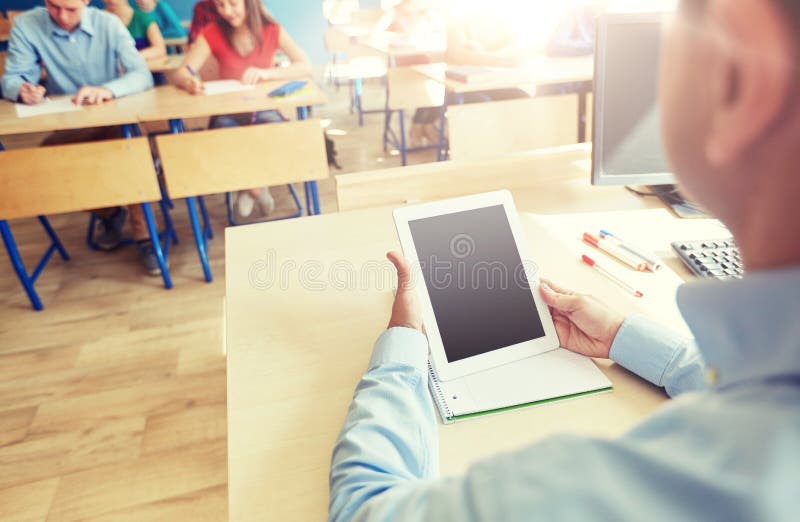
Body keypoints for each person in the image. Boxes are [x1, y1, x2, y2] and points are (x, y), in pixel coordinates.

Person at [329, 0, 800, 519]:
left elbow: (367, 509)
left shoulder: (605, 488)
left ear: (740, 81)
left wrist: (403, 347)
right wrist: (623, 335)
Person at [1, 0, 162, 275]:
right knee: (44, 166)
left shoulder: (108, 23)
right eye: (54, 7)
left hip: (114, 120)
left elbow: (141, 75)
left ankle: (144, 236)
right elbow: (12, 78)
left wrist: (107, 90)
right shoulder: (27, 25)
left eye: (71, 9)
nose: (63, 17)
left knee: (129, 155)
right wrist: (21, 88)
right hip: (69, 125)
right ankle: (110, 213)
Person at [172, 0, 311, 218]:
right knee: (225, 135)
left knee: (273, 131)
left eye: (233, 4)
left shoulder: (272, 29)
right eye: (220, 5)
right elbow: (182, 72)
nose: (226, 11)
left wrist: (268, 73)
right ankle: (257, 188)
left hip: (264, 108)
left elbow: (305, 65)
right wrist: (189, 81)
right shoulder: (212, 32)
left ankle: (251, 187)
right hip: (229, 112)